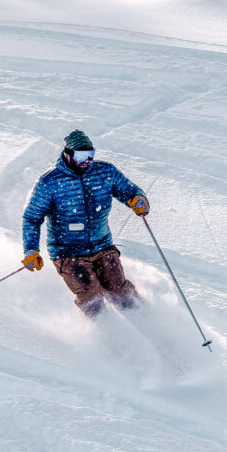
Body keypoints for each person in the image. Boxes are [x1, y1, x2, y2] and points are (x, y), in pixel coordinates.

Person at [22, 130, 150, 317]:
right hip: (68, 252)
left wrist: (138, 200)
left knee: (118, 288)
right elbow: (32, 218)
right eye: (81, 156)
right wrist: (31, 250)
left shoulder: (105, 172)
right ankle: (104, 328)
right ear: (68, 154)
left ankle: (143, 318)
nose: (87, 161)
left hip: (102, 245)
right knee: (90, 292)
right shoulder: (49, 182)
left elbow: (130, 190)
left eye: (90, 155)